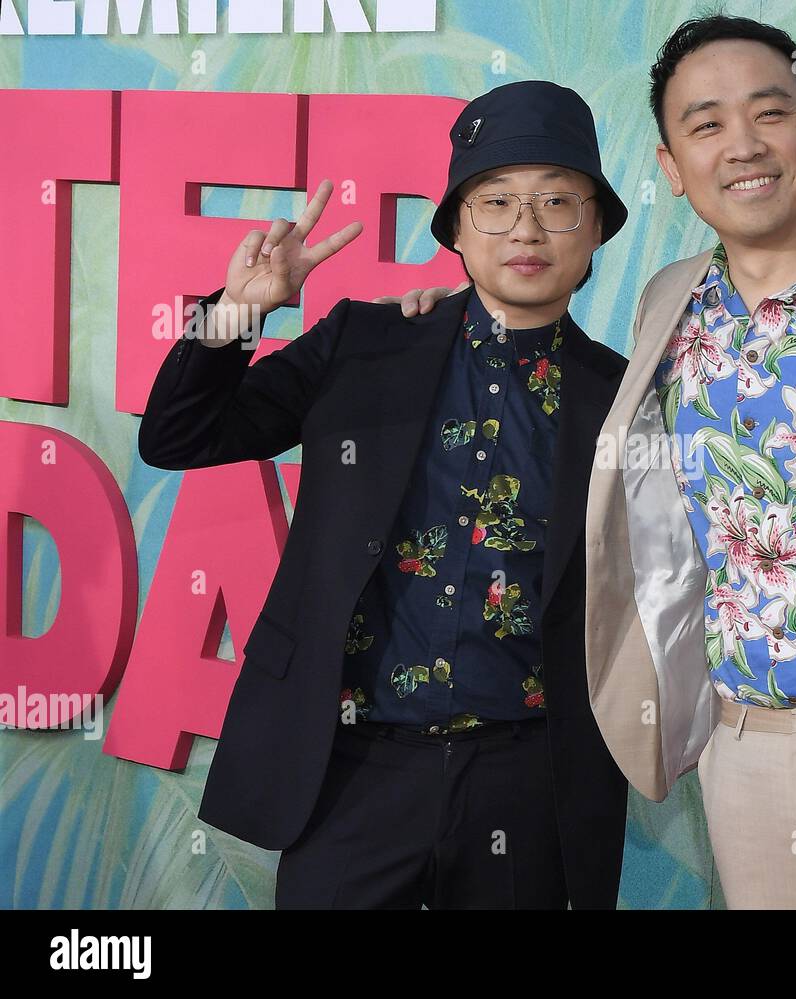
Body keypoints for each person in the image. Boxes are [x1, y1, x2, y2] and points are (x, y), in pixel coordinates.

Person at [397, 16, 796, 910]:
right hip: (741, 763)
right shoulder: (666, 304)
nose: (742, 145)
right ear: (672, 168)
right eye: (705, 124)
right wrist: (441, 331)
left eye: (770, 113)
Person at [138, 80, 631, 909]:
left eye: (557, 201)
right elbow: (177, 435)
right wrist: (233, 314)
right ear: (456, 229)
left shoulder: (625, 396)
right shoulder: (363, 344)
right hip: (353, 769)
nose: (526, 227)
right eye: (496, 201)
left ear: (595, 228)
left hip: (527, 774)